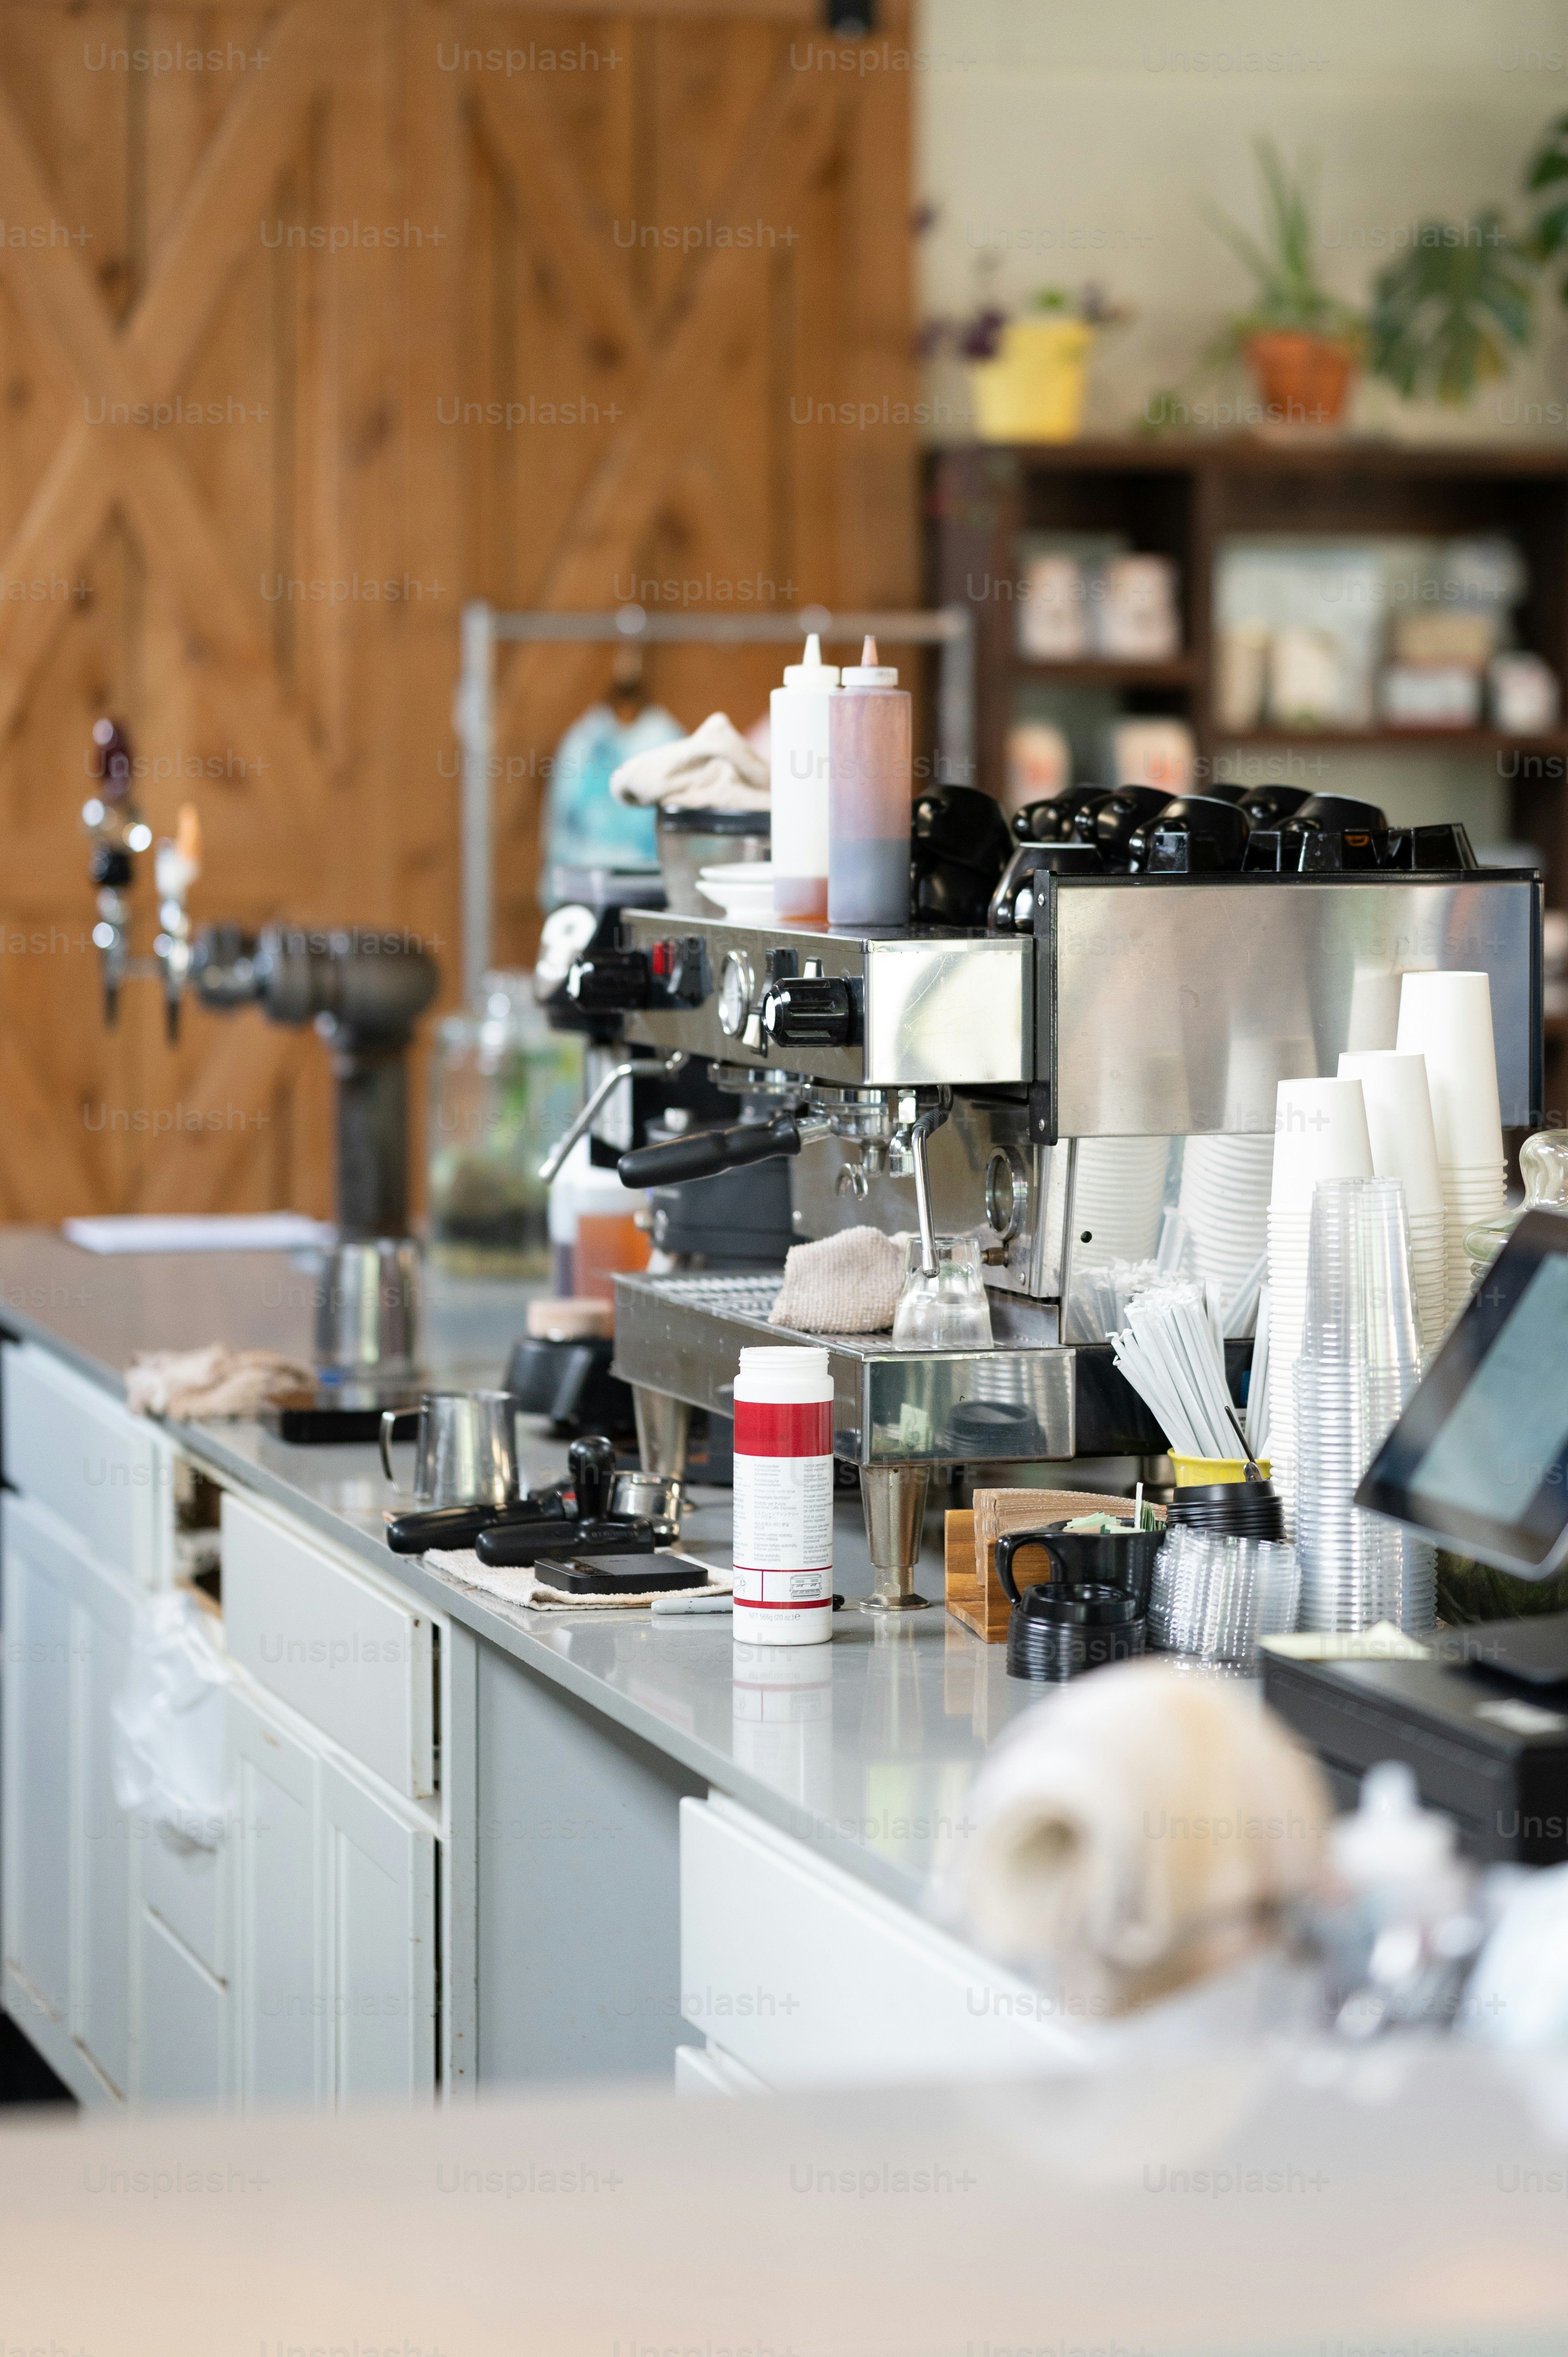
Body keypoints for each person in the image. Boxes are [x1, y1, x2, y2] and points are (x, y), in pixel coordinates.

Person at [542, 648, 682, 904]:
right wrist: (554, 889)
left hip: (654, 892)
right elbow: (561, 824)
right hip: (585, 889)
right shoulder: (584, 745)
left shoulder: (667, 744)